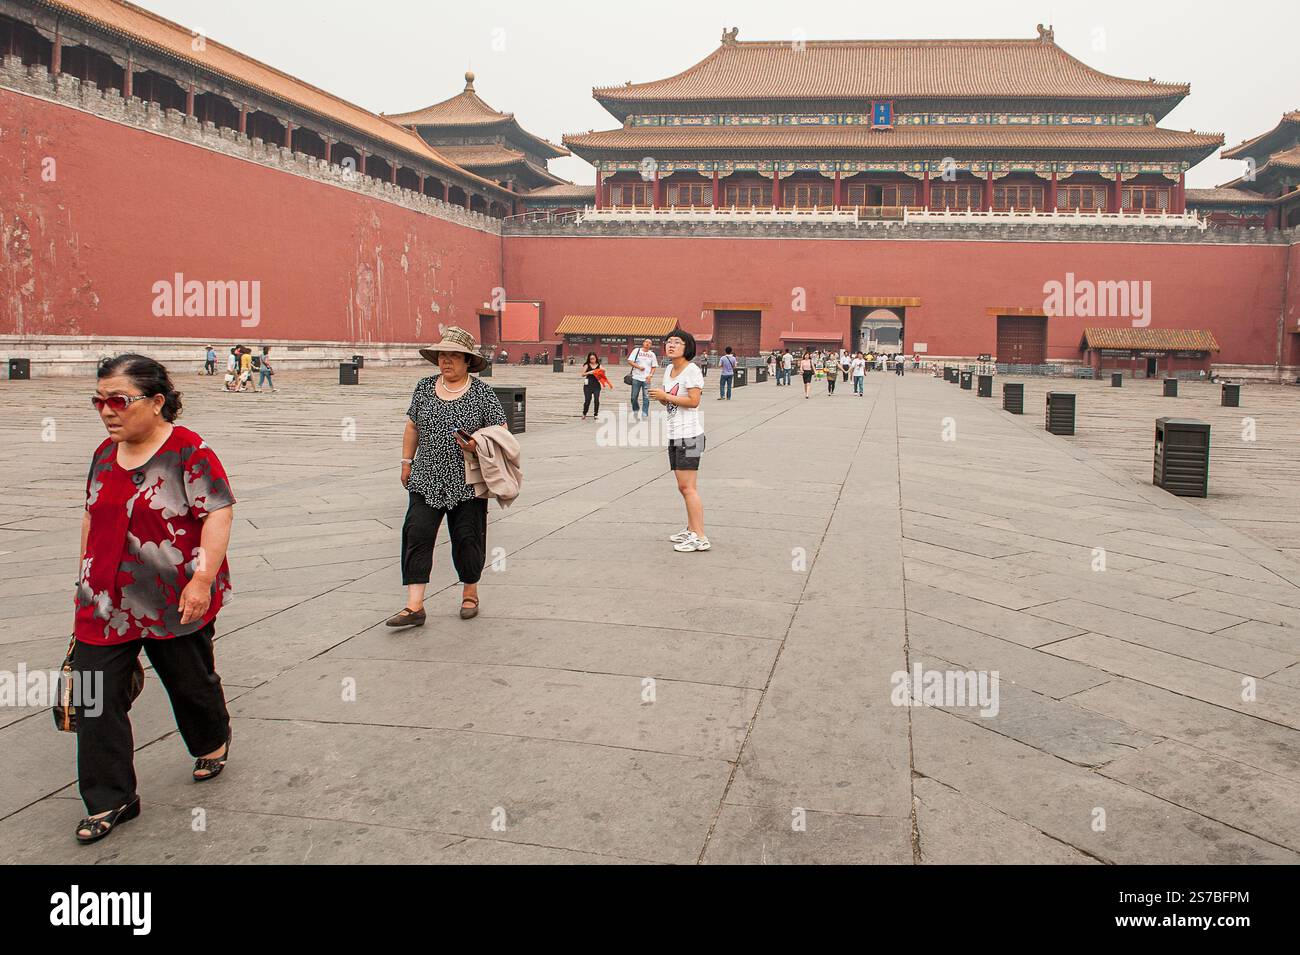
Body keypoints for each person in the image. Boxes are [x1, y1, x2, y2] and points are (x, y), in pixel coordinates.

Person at [72, 354, 235, 844]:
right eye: (99, 401)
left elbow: (218, 515)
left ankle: (210, 739)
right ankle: (110, 797)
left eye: (118, 400)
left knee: (190, 682)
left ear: (157, 401)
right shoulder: (103, 454)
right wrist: (81, 578)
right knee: (93, 697)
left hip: (174, 596)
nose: (107, 411)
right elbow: (91, 517)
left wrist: (201, 581)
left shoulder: (190, 451)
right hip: (103, 602)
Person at [389, 327, 509, 628]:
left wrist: (476, 443)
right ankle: (414, 606)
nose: (446, 362)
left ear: (468, 361)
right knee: (417, 534)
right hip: (425, 476)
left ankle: (470, 592)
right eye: (443, 356)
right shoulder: (424, 387)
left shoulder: (482, 393)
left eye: (454, 356)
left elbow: (502, 431)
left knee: (467, 539)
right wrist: (406, 462)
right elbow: (412, 426)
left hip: (467, 481)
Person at [648, 329, 709, 553]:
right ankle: (692, 529)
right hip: (675, 434)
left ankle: (700, 536)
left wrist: (666, 397)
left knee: (688, 488)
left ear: (687, 347)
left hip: (690, 436)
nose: (671, 345)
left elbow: (694, 401)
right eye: (668, 342)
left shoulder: (691, 370)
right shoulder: (669, 370)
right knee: (685, 487)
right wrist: (661, 398)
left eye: (677, 342)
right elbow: (671, 403)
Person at [626, 338, 658, 420]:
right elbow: (630, 361)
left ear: (651, 345)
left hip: (646, 379)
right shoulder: (637, 351)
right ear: (643, 343)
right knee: (633, 397)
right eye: (646, 342)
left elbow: (654, 366)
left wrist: (650, 375)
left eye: (650, 343)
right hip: (636, 377)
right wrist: (639, 367)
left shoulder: (652, 354)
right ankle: (636, 409)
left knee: (646, 397)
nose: (647, 343)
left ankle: (644, 413)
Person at [580, 351, 609, 419]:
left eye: (593, 358)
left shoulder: (599, 366)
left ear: (596, 358)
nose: (592, 360)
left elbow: (603, 375)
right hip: (588, 385)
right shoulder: (587, 365)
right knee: (587, 400)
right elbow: (582, 374)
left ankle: (596, 414)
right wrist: (590, 372)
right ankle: (584, 413)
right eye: (591, 359)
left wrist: (603, 371)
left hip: (596, 385)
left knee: (596, 399)